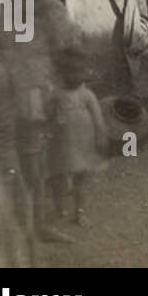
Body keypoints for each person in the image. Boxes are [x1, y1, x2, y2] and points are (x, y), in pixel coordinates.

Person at [47, 48, 108, 228]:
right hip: (62, 144)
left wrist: (100, 136)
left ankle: (79, 212)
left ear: (85, 73)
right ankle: (60, 209)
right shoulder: (56, 94)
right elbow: (48, 115)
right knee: (58, 178)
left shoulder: (87, 95)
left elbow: (98, 119)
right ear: (61, 73)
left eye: (79, 72)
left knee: (80, 181)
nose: (75, 77)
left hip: (83, 143)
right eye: (70, 73)